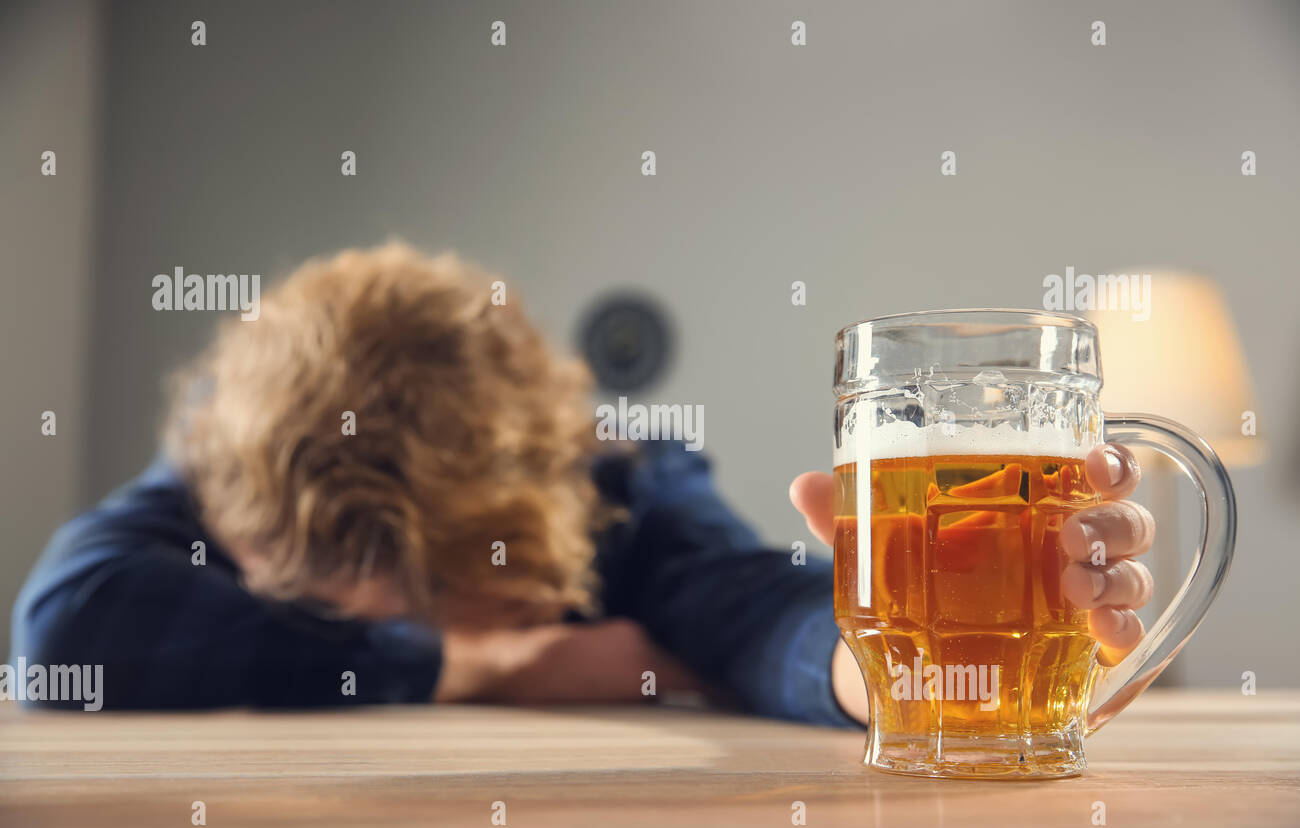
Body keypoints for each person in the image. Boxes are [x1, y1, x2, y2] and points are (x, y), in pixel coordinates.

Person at [10, 244, 1155, 724]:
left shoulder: (618, 481)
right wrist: (478, 662)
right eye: (336, 610)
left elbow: (756, 608)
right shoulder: (236, 467)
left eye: (436, 599)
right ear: (243, 527)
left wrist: (900, 667)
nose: (393, 622)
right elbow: (63, 629)